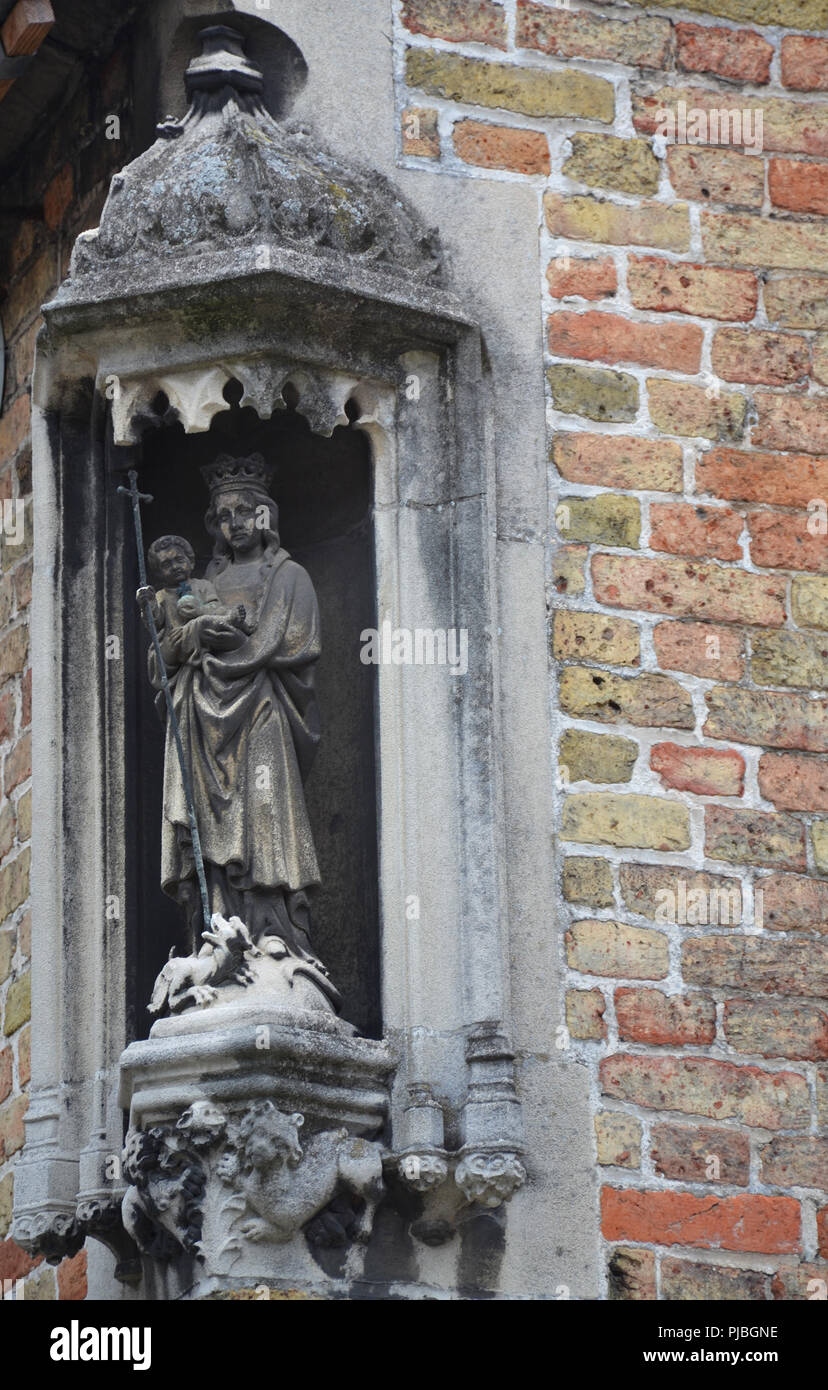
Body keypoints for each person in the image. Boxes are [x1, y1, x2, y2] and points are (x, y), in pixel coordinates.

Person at [146, 454, 325, 972]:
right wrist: (192, 638)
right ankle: (216, 924)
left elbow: (295, 642)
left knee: (265, 811)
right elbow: (161, 661)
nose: (235, 524)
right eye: (224, 516)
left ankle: (276, 929)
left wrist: (234, 655)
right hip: (198, 715)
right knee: (206, 824)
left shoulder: (289, 577)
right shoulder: (197, 588)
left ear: (266, 515)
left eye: (246, 512)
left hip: (262, 710)